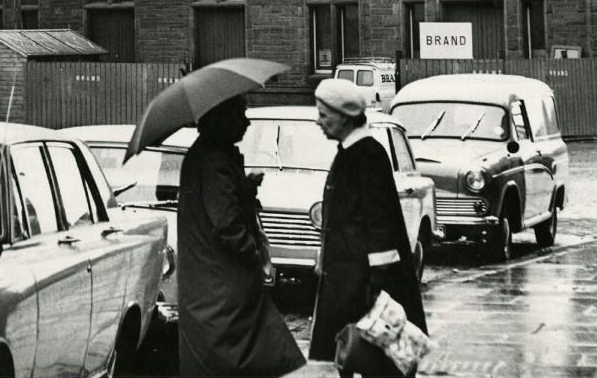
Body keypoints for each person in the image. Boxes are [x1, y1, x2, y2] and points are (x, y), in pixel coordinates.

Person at [177, 94, 304, 378]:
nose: (246, 122)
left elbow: (218, 206)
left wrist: (244, 188)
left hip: (213, 290)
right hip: (222, 293)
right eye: (240, 114)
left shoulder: (210, 156)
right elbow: (227, 225)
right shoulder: (214, 161)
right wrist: (256, 255)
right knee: (257, 360)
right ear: (221, 119)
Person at [308, 78, 428, 377]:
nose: (319, 121)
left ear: (346, 116)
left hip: (361, 287)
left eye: (325, 115)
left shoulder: (366, 155)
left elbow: (379, 226)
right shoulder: (352, 152)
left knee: (367, 362)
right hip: (350, 282)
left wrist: (376, 286)